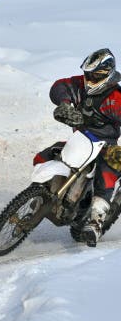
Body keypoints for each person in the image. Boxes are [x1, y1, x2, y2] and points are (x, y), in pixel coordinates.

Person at [36, 48, 121, 246]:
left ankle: (95, 223)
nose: (89, 79)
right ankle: (40, 190)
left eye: (95, 76)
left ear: (107, 75)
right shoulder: (80, 85)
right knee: (51, 153)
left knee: (108, 169)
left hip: (105, 146)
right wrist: (65, 104)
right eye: (88, 74)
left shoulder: (116, 98)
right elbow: (60, 86)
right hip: (81, 139)